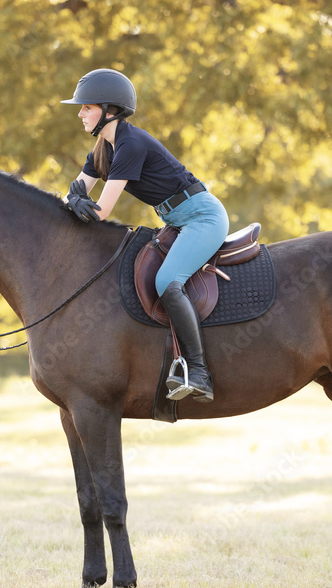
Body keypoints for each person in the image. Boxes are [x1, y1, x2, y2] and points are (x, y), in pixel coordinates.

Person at [61, 68, 229, 403]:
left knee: (167, 281)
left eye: (86, 107)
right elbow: (74, 191)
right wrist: (73, 198)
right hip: (177, 219)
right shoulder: (102, 150)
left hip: (202, 218)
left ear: (110, 111)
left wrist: (78, 200)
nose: (80, 113)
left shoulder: (131, 144)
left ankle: (198, 373)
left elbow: (100, 212)